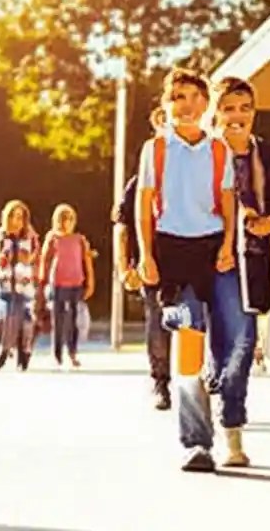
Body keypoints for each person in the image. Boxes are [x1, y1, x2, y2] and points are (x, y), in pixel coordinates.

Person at [135, 68, 235, 472]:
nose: (187, 105)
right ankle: (197, 443)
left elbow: (228, 203)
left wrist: (228, 246)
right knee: (188, 342)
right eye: (178, 97)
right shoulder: (155, 149)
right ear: (167, 104)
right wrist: (146, 255)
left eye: (195, 96)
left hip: (213, 252)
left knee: (226, 348)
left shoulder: (218, 150)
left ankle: (223, 408)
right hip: (172, 256)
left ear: (206, 103)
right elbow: (144, 206)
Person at [202, 76, 270, 466]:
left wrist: (268, 221)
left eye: (245, 108)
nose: (237, 116)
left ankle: (231, 426)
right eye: (228, 108)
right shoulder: (202, 153)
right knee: (219, 341)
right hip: (208, 258)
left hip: (252, 257)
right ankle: (220, 400)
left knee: (244, 339)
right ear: (215, 112)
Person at [113, 108, 173, 410]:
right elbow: (122, 226)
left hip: (189, 257)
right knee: (157, 320)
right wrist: (124, 267)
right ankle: (160, 381)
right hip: (151, 261)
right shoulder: (139, 181)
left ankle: (193, 380)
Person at [0, 200, 43, 371]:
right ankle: (6, 348)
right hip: (4, 285)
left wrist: (32, 267)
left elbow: (36, 257)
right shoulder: (1, 236)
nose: (16, 221)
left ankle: (21, 353)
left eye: (20, 217)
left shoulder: (30, 237)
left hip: (24, 285)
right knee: (3, 321)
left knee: (24, 323)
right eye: (13, 216)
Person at [41, 203, 95, 370]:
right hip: (57, 283)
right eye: (63, 219)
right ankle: (56, 355)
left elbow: (87, 261)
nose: (67, 222)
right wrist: (42, 281)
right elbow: (45, 259)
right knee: (57, 320)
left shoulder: (80, 239)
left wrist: (90, 282)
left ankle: (72, 353)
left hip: (75, 283)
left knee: (73, 320)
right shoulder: (52, 238)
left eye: (70, 219)